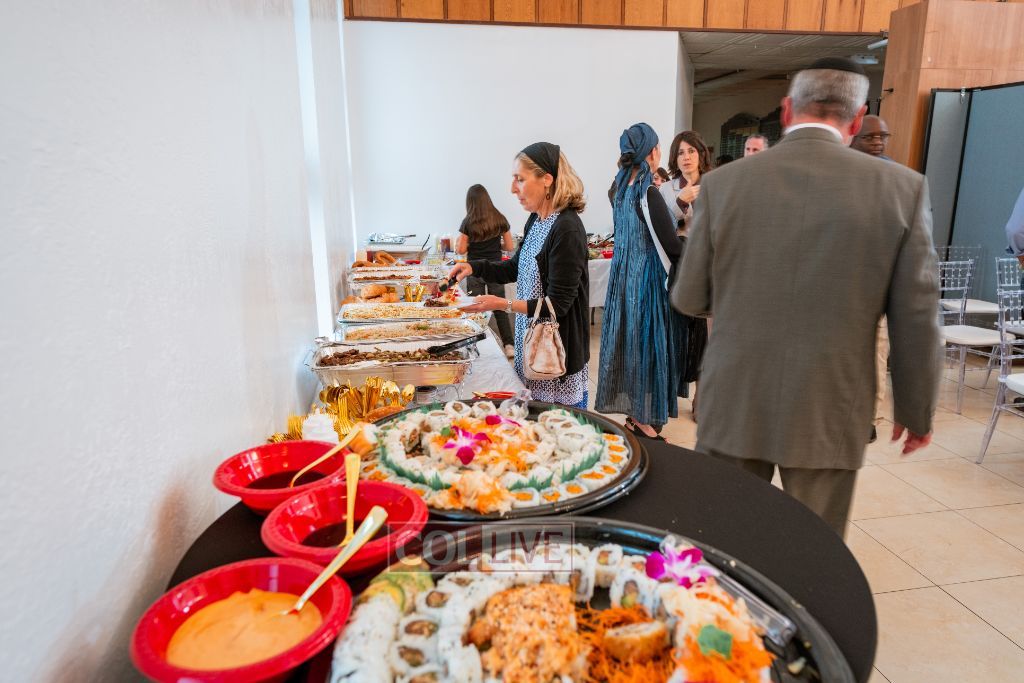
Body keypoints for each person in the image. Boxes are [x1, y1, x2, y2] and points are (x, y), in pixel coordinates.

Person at [671, 57, 941, 538]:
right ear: (857, 120)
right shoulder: (903, 190)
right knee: (814, 549)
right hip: (830, 403)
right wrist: (916, 409)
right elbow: (917, 316)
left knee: (722, 543)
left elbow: (689, 297)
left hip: (735, 395)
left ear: (787, 110)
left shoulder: (721, 186)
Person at [450, 142, 590, 408]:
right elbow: (514, 268)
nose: (513, 188)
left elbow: (558, 305)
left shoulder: (567, 228)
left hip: (556, 353)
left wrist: (504, 304)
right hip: (532, 345)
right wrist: (474, 267)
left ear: (547, 180)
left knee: (555, 426)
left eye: (520, 179)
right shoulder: (536, 220)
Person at [595, 123, 686, 440]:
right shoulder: (649, 192)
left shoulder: (618, 190)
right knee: (648, 346)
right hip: (646, 280)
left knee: (629, 344)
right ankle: (646, 422)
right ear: (652, 152)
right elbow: (672, 247)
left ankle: (634, 414)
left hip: (622, 279)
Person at [659, 131, 713, 415]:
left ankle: (702, 396)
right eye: (681, 152)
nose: (687, 157)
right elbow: (662, 229)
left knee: (705, 334)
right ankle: (671, 392)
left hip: (708, 265)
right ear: (674, 159)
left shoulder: (715, 185)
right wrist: (680, 201)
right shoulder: (666, 190)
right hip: (678, 267)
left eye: (692, 150)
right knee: (676, 328)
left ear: (701, 154)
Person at [849, 118, 895, 441]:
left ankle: (868, 418)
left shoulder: (895, 177)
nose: (878, 142)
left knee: (877, 353)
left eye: (883, 136)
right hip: (841, 284)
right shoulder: (840, 173)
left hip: (877, 283)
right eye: (870, 137)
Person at [455, 184, 516, 357]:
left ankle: (479, 347)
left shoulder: (468, 222)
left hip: (474, 270)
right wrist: (497, 244)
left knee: (477, 307)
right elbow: (510, 246)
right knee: (500, 306)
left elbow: (460, 250)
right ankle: (509, 345)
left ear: (470, 202)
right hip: (496, 269)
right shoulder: (499, 219)